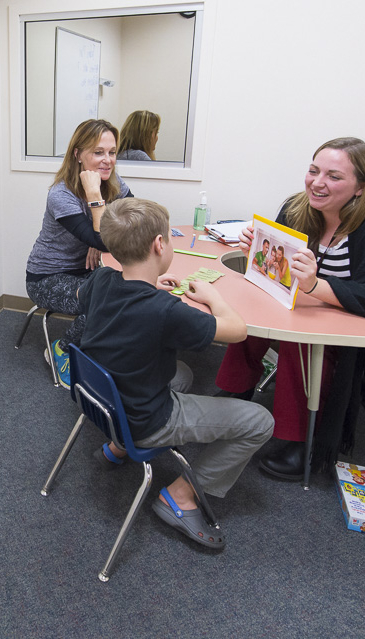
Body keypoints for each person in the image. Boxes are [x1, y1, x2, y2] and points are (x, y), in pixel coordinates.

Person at [215, 137, 365, 480]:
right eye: (314, 171)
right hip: (314, 306)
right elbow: (277, 271)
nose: (317, 183)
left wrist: (316, 286)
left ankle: (300, 441)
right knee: (248, 311)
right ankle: (233, 396)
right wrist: (255, 250)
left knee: (299, 338)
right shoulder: (298, 208)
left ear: (362, 186)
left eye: (334, 176)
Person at [79, 198, 274, 549]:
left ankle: (117, 446)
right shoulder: (166, 311)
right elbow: (237, 330)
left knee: (180, 372)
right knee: (260, 421)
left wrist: (147, 288)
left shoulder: (101, 278)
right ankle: (181, 496)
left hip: (103, 403)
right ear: (159, 245)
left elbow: (94, 300)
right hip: (147, 420)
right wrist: (214, 296)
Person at [26, 119, 131, 386]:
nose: (108, 160)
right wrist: (95, 194)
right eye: (98, 152)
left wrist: (96, 240)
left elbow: (136, 220)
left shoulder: (115, 183)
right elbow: (107, 240)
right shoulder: (61, 195)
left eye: (112, 152)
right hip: (47, 278)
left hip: (86, 272)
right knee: (103, 301)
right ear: (77, 154)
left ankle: (99, 350)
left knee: (130, 290)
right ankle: (61, 348)